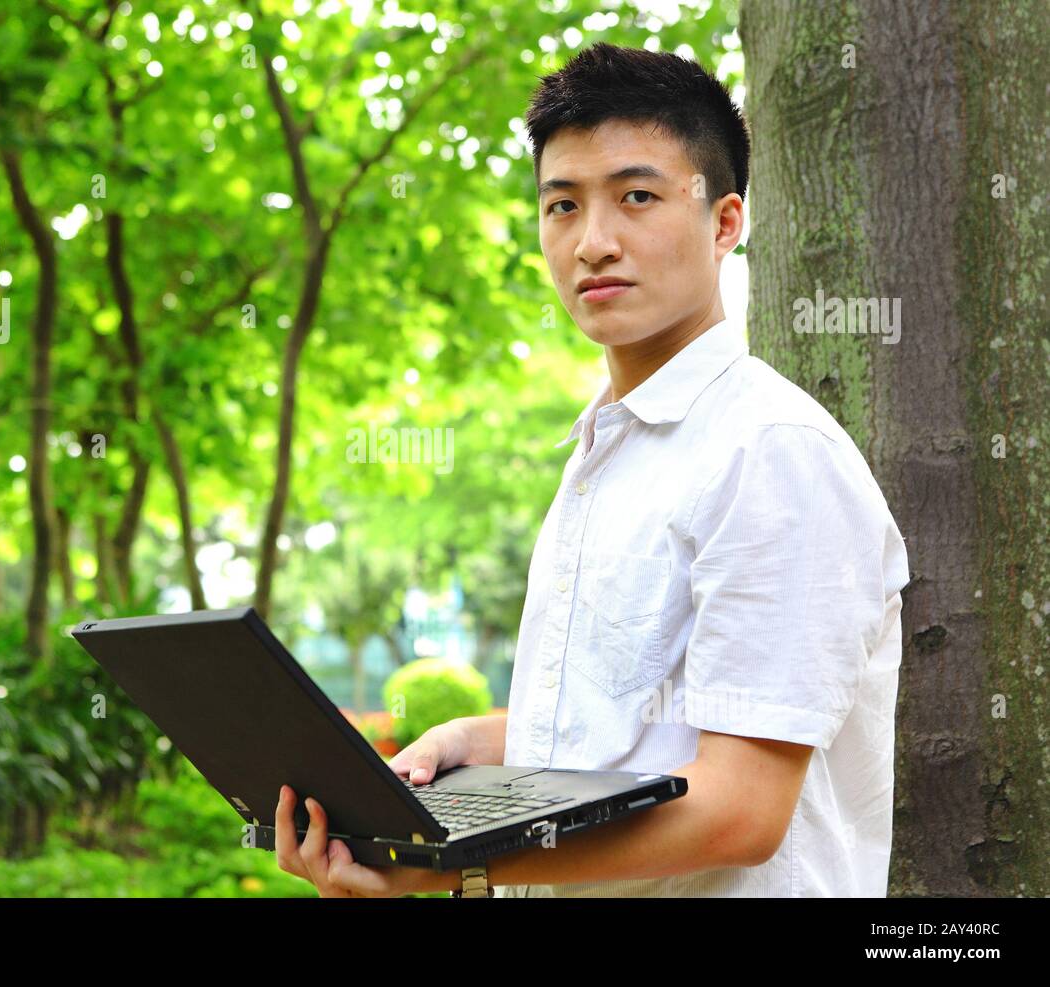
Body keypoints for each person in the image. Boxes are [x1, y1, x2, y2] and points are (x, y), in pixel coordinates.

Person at [274, 42, 910, 898]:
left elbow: (741, 809)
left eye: (637, 197)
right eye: (562, 205)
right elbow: (635, 731)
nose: (593, 243)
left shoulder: (769, 450)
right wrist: (476, 739)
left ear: (724, 222)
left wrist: (444, 860)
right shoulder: (608, 454)